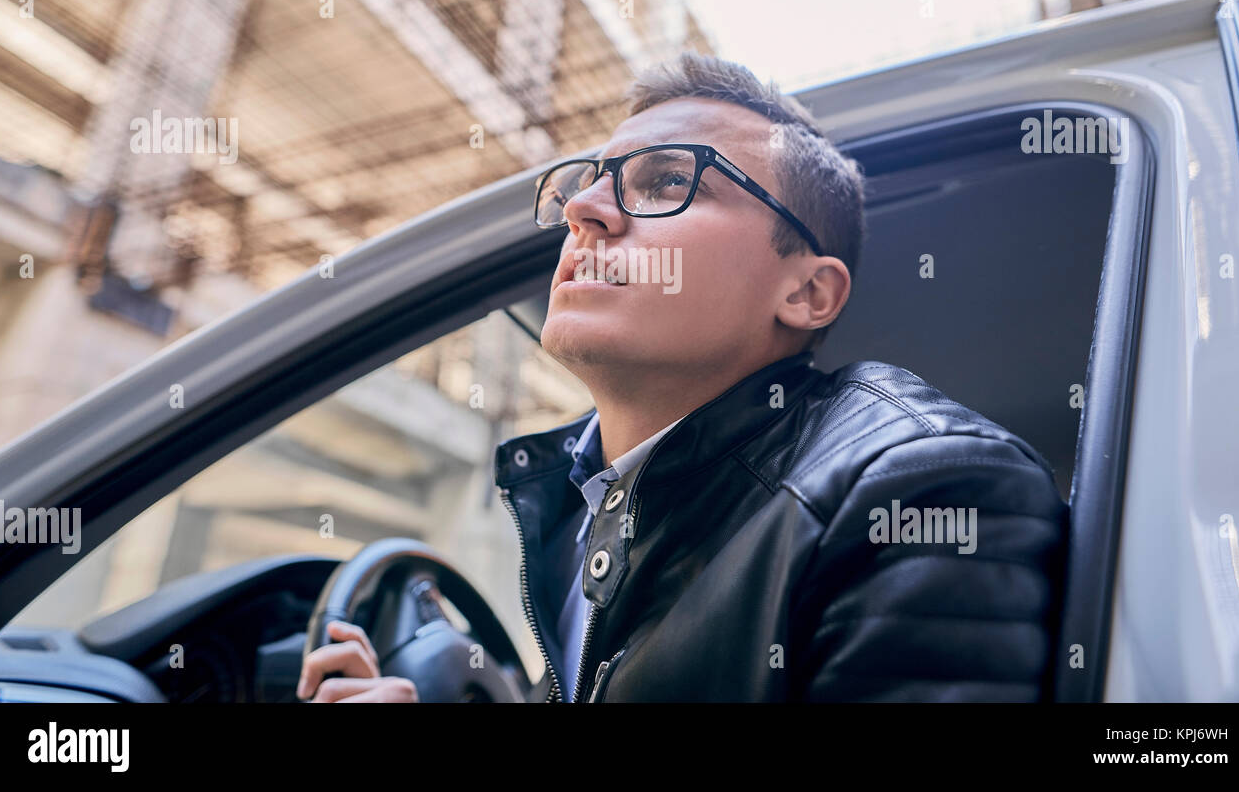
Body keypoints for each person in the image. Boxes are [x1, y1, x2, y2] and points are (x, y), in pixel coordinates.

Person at [297, 51, 1068, 703]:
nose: (586, 211)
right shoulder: (589, 511)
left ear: (806, 292)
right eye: (589, 182)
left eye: (668, 181)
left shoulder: (919, 486)